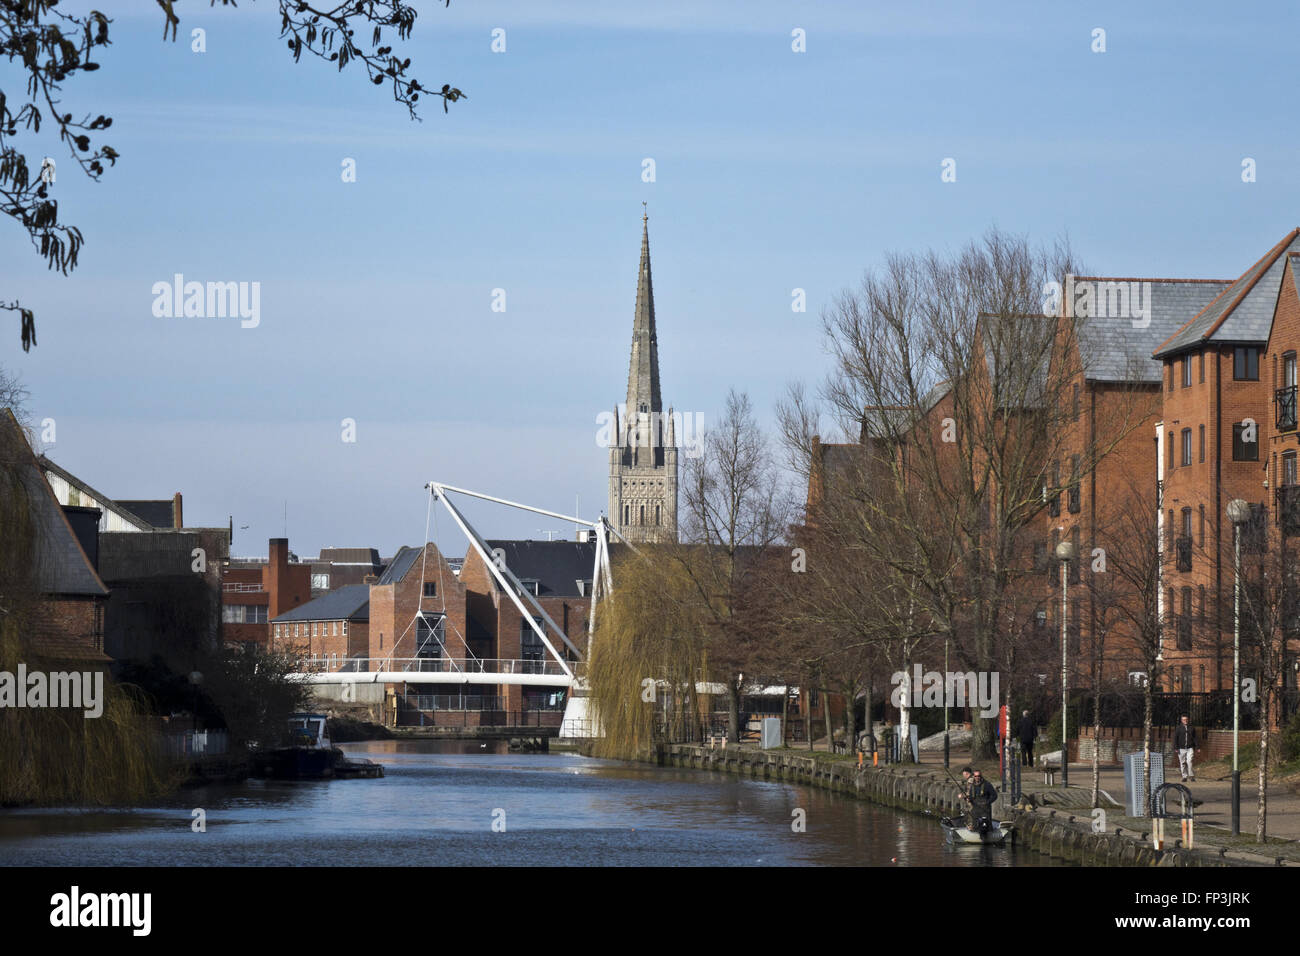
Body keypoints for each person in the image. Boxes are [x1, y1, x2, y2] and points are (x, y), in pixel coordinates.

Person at [1175, 715, 1197, 781]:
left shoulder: (1192, 727)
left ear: (1188, 720)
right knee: (1182, 763)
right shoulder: (1179, 728)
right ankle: (1184, 776)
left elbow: (1195, 738)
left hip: (1190, 748)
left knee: (1189, 761)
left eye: (1186, 719)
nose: (1185, 721)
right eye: (1184, 720)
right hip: (1181, 748)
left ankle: (1191, 776)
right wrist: (1175, 747)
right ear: (1182, 721)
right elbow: (1176, 738)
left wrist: (1197, 747)